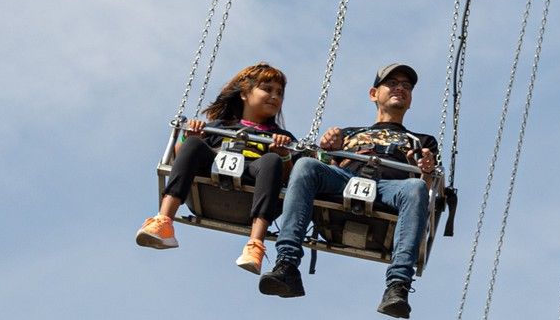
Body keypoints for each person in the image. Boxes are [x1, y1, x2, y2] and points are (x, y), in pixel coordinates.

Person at [258, 63, 438, 319]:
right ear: (374, 93)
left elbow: (425, 188)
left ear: (410, 100)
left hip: (390, 188)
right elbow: (329, 166)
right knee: (307, 165)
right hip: (346, 179)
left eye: (406, 86)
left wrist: (425, 170)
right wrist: (329, 149)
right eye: (392, 83)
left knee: (416, 187)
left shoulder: (422, 141)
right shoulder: (349, 133)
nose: (400, 88)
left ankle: (398, 286)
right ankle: (286, 264)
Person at [135, 62, 295, 274]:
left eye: (279, 93)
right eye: (267, 89)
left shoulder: (282, 138)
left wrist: (283, 154)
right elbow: (180, 156)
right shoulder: (220, 127)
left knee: (271, 160)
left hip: (251, 181)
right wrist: (188, 137)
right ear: (245, 94)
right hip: (212, 179)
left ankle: (255, 244)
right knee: (194, 145)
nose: (275, 96)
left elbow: (287, 179)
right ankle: (163, 221)